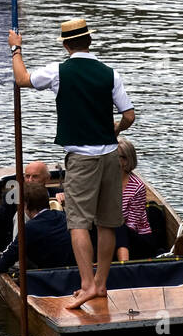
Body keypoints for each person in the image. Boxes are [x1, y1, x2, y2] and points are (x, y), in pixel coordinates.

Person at [9, 17, 135, 309]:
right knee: (107, 223)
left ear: (66, 45)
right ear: (89, 41)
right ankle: (101, 285)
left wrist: (16, 50)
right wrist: (114, 130)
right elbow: (129, 116)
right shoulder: (110, 73)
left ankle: (88, 285)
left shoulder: (58, 72)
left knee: (77, 223)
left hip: (82, 159)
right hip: (109, 157)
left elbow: (22, 79)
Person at [0, 180, 72, 301]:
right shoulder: (63, 217)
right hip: (71, 277)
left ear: (25, 205)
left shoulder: (29, 229)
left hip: (47, 281)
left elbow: (5, 262)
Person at [0, 160, 53, 246]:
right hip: (17, 248)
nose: (30, 180)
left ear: (47, 179)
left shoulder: (57, 195)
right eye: (27, 176)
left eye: (35, 177)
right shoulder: (13, 197)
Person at [115, 138, 163, 261]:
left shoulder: (137, 187)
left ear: (125, 161)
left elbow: (132, 225)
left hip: (139, 239)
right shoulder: (105, 181)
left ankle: (123, 265)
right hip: (113, 234)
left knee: (118, 225)